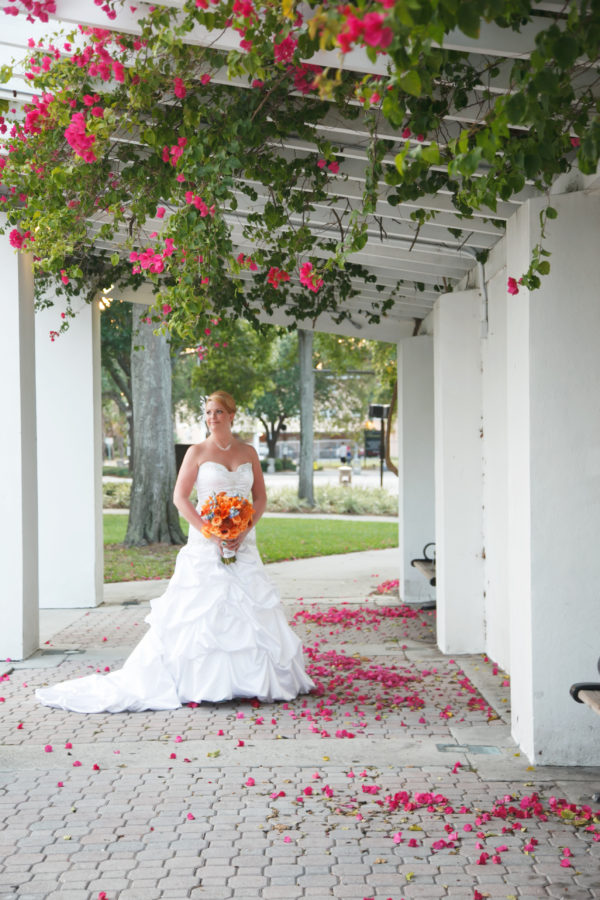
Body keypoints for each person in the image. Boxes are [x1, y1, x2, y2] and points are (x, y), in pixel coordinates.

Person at [36, 390, 315, 713]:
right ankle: (202, 682)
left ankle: (252, 680)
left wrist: (243, 529)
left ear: (232, 415)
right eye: (208, 412)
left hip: (242, 541)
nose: (212, 417)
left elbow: (261, 497)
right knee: (201, 610)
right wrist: (210, 531)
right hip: (205, 543)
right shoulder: (196, 452)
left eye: (219, 412)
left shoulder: (248, 452)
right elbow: (180, 498)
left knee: (249, 607)